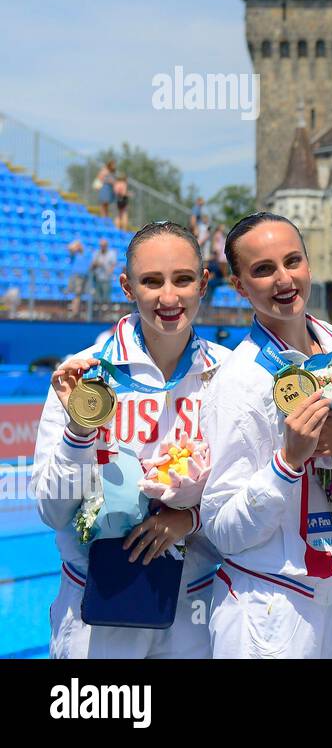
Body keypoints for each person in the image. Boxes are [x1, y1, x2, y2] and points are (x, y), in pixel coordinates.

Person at [31, 221, 228, 658]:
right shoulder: (82, 374)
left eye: (183, 279)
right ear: (126, 286)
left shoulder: (229, 376)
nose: (169, 297)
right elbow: (51, 508)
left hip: (193, 607)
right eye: (151, 281)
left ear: (204, 283)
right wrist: (79, 431)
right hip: (96, 608)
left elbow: (243, 500)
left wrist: (188, 519)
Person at [200, 212, 332, 659]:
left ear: (309, 265)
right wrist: (287, 464)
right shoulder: (238, 382)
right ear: (238, 286)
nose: (283, 279)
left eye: (292, 261)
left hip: (331, 606)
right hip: (265, 610)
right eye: (263, 269)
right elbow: (223, 530)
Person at [89, 238, 119, 318]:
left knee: (106, 298)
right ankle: (98, 315)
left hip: (106, 279)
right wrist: (97, 264)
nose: (102, 247)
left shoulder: (111, 254)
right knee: (97, 298)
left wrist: (109, 271)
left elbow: (113, 265)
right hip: (98, 279)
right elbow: (91, 266)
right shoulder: (96, 254)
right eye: (101, 246)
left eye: (104, 245)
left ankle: (106, 315)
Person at [66, 240, 91, 320]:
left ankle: (78, 312)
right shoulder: (74, 253)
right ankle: (75, 312)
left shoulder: (86, 252)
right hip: (77, 276)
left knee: (81, 295)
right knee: (77, 294)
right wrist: (75, 245)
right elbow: (69, 248)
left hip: (85, 276)